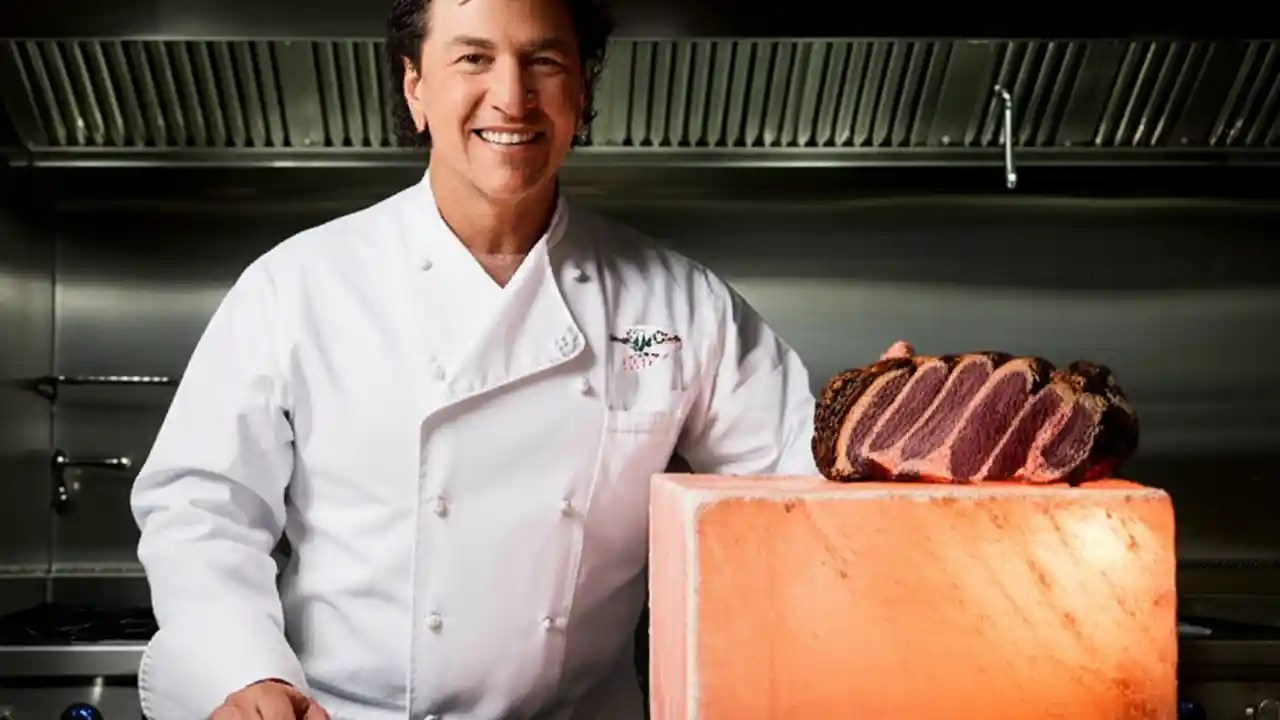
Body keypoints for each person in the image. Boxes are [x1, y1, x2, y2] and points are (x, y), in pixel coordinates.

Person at [129, 0, 817, 717]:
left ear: (582, 91)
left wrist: (877, 428)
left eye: (544, 61)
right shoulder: (299, 285)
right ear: (414, 87)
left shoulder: (679, 303)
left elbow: (800, 488)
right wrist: (240, 671)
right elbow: (202, 506)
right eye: (473, 58)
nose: (512, 96)